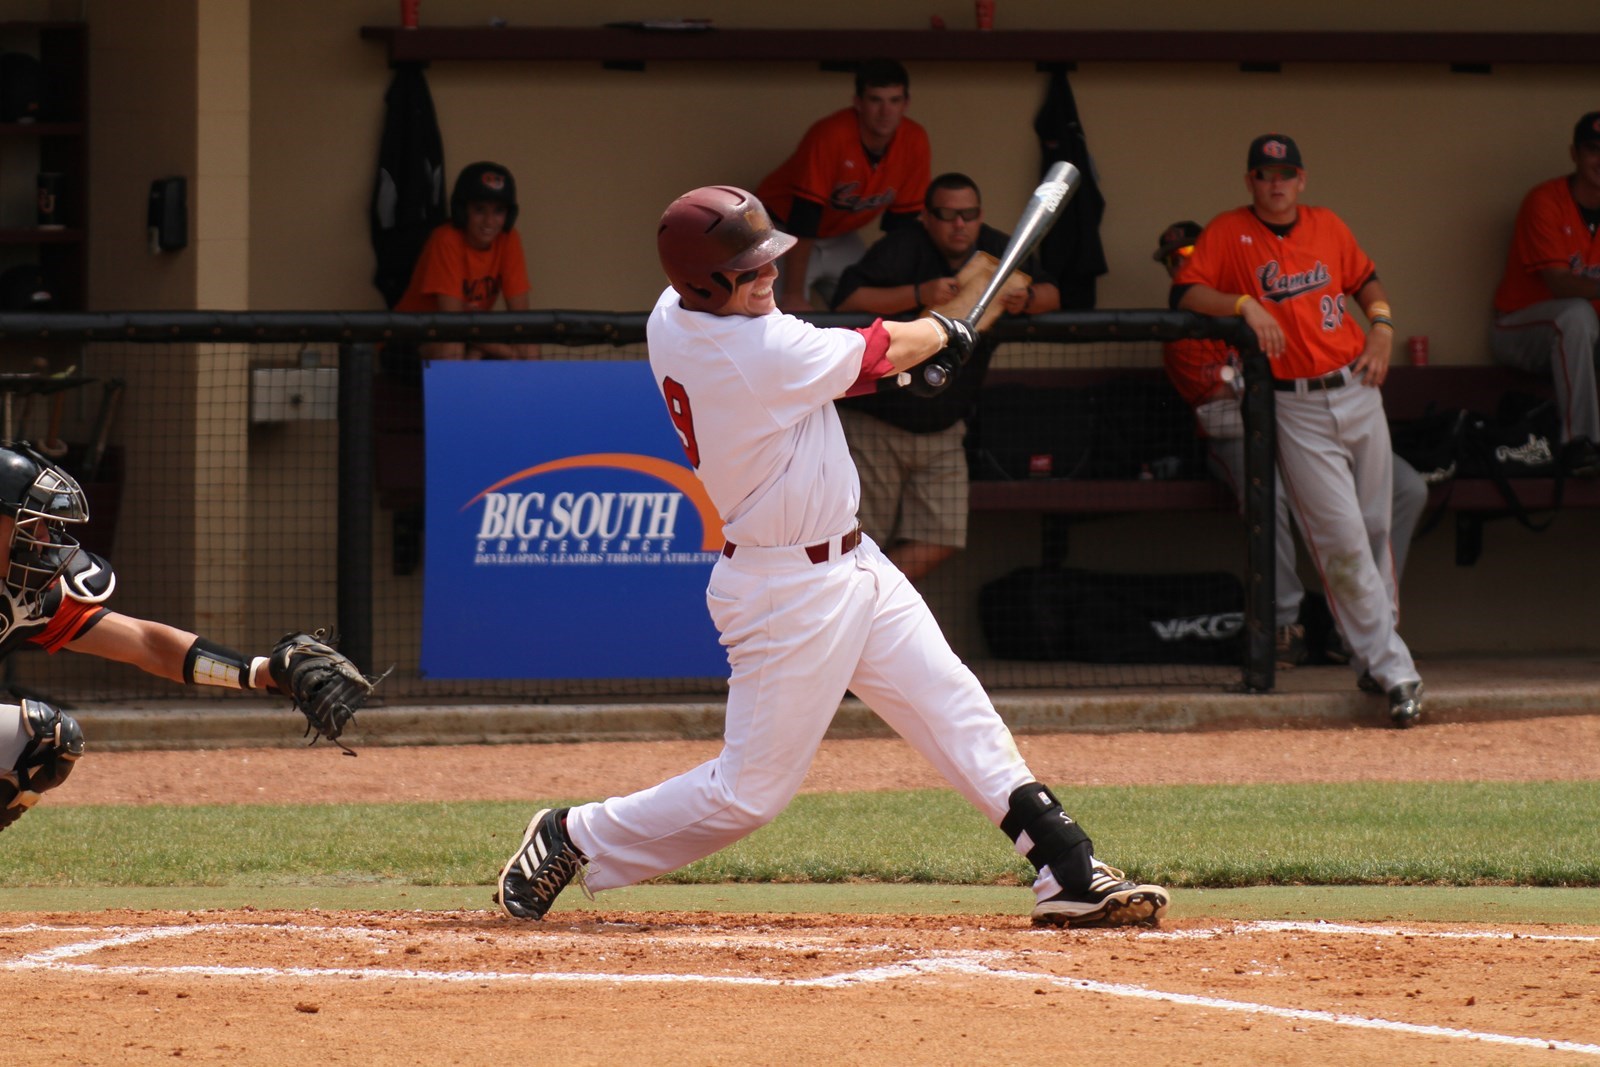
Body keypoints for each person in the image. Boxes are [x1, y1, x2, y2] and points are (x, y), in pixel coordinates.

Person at [494, 185, 1168, 929]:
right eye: (748, 268)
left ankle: (1066, 866)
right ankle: (572, 833)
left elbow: (852, 364)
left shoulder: (680, 314)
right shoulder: (748, 348)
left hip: (853, 561)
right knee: (747, 795)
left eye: (763, 259)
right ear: (705, 281)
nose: (767, 275)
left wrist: (910, 357)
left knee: (956, 709)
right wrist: (946, 333)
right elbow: (876, 349)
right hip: (786, 587)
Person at [1172, 135, 1425, 727]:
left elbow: (1367, 280)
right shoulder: (1228, 231)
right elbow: (1185, 291)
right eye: (1264, 173)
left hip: (1358, 386)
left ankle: (1374, 656)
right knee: (1339, 538)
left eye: (1285, 173)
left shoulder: (1328, 225)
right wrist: (1243, 305)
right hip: (1296, 405)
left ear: (1301, 179)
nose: (1276, 183)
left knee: (1376, 526)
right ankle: (1395, 670)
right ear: (1251, 181)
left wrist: (1383, 328)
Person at [0, 444, 364, 831]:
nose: (41, 538)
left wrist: (260, 672)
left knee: (46, 741)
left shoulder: (26, 594)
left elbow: (147, 645)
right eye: (30, 524)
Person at [830, 172, 1060, 581]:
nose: (960, 224)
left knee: (944, 536)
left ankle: (868, 600)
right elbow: (846, 301)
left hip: (944, 425)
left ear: (979, 215)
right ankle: (858, 608)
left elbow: (1053, 295)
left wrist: (1028, 299)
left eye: (968, 215)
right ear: (927, 218)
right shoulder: (902, 247)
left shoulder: (996, 247)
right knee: (861, 540)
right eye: (948, 215)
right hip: (876, 420)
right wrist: (920, 295)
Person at [755, 59, 931, 312]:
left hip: (842, 238)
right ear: (858, 102)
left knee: (870, 308)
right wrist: (793, 293)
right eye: (875, 100)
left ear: (906, 103)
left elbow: (900, 227)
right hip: (783, 232)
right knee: (782, 316)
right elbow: (804, 217)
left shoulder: (914, 140)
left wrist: (898, 290)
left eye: (894, 100)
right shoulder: (831, 134)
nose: (885, 111)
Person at [1490, 111, 1600, 478]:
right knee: (1576, 314)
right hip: (1518, 329)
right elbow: (1560, 283)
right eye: (1593, 150)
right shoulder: (1546, 200)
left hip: (1583, 340)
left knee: (1580, 320)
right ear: (1574, 153)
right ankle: (1581, 444)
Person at [394, 161, 538, 360]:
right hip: (410, 339)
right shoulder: (446, 238)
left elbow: (521, 319)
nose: (489, 221)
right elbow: (452, 322)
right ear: (463, 211)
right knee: (452, 348)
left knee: (529, 347)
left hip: (469, 334)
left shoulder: (509, 239)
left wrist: (484, 350)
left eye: (498, 211)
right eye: (479, 209)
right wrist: (506, 352)